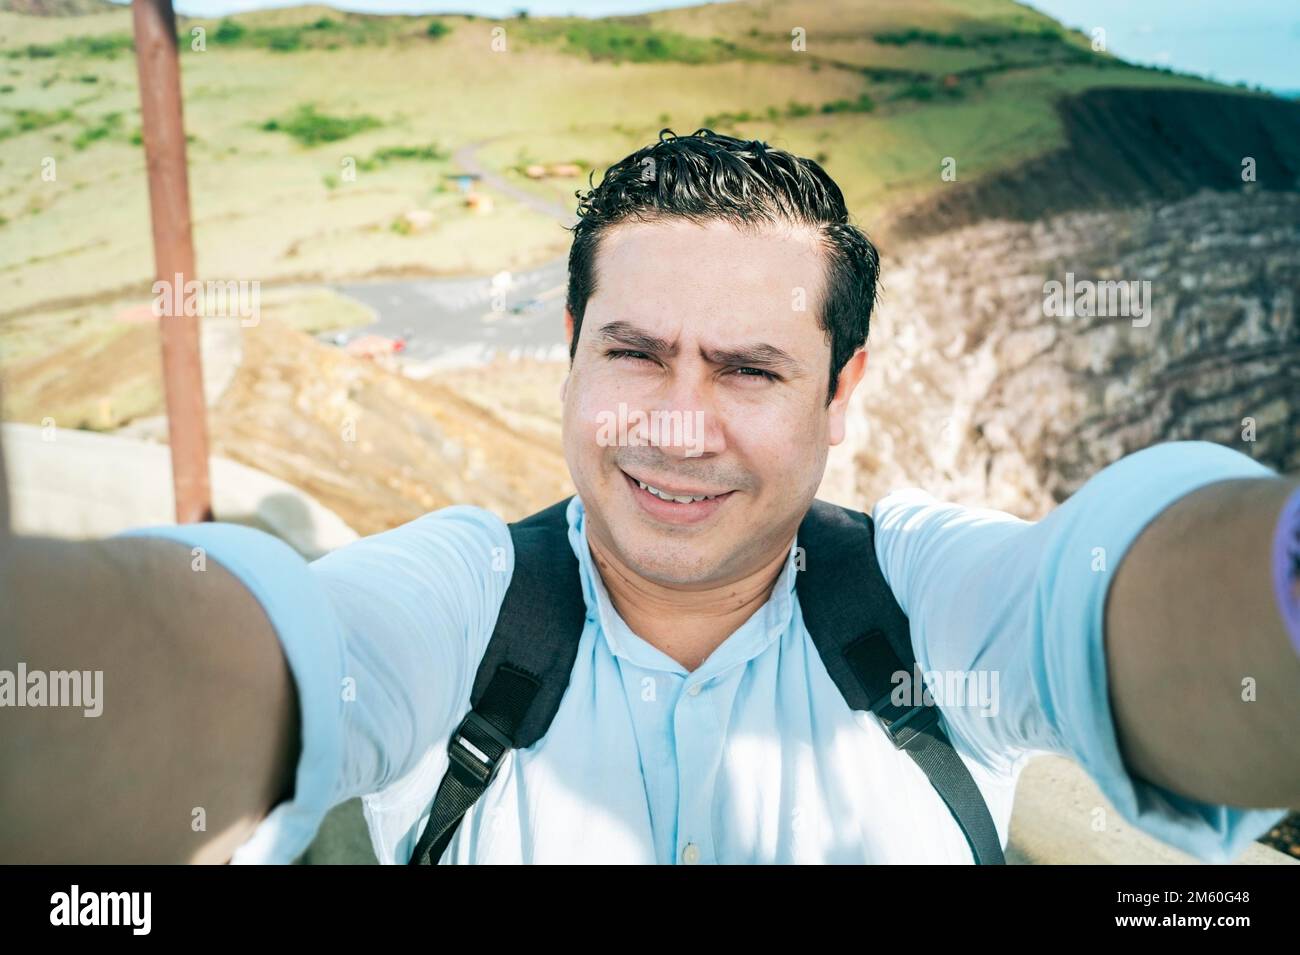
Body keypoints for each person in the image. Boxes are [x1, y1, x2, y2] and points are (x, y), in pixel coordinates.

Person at [2, 130, 1297, 864]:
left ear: (842, 397)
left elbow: (1136, 613)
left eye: (747, 370)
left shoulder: (931, 605)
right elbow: (224, 669)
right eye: (633, 352)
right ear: (569, 346)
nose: (678, 426)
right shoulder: (458, 602)